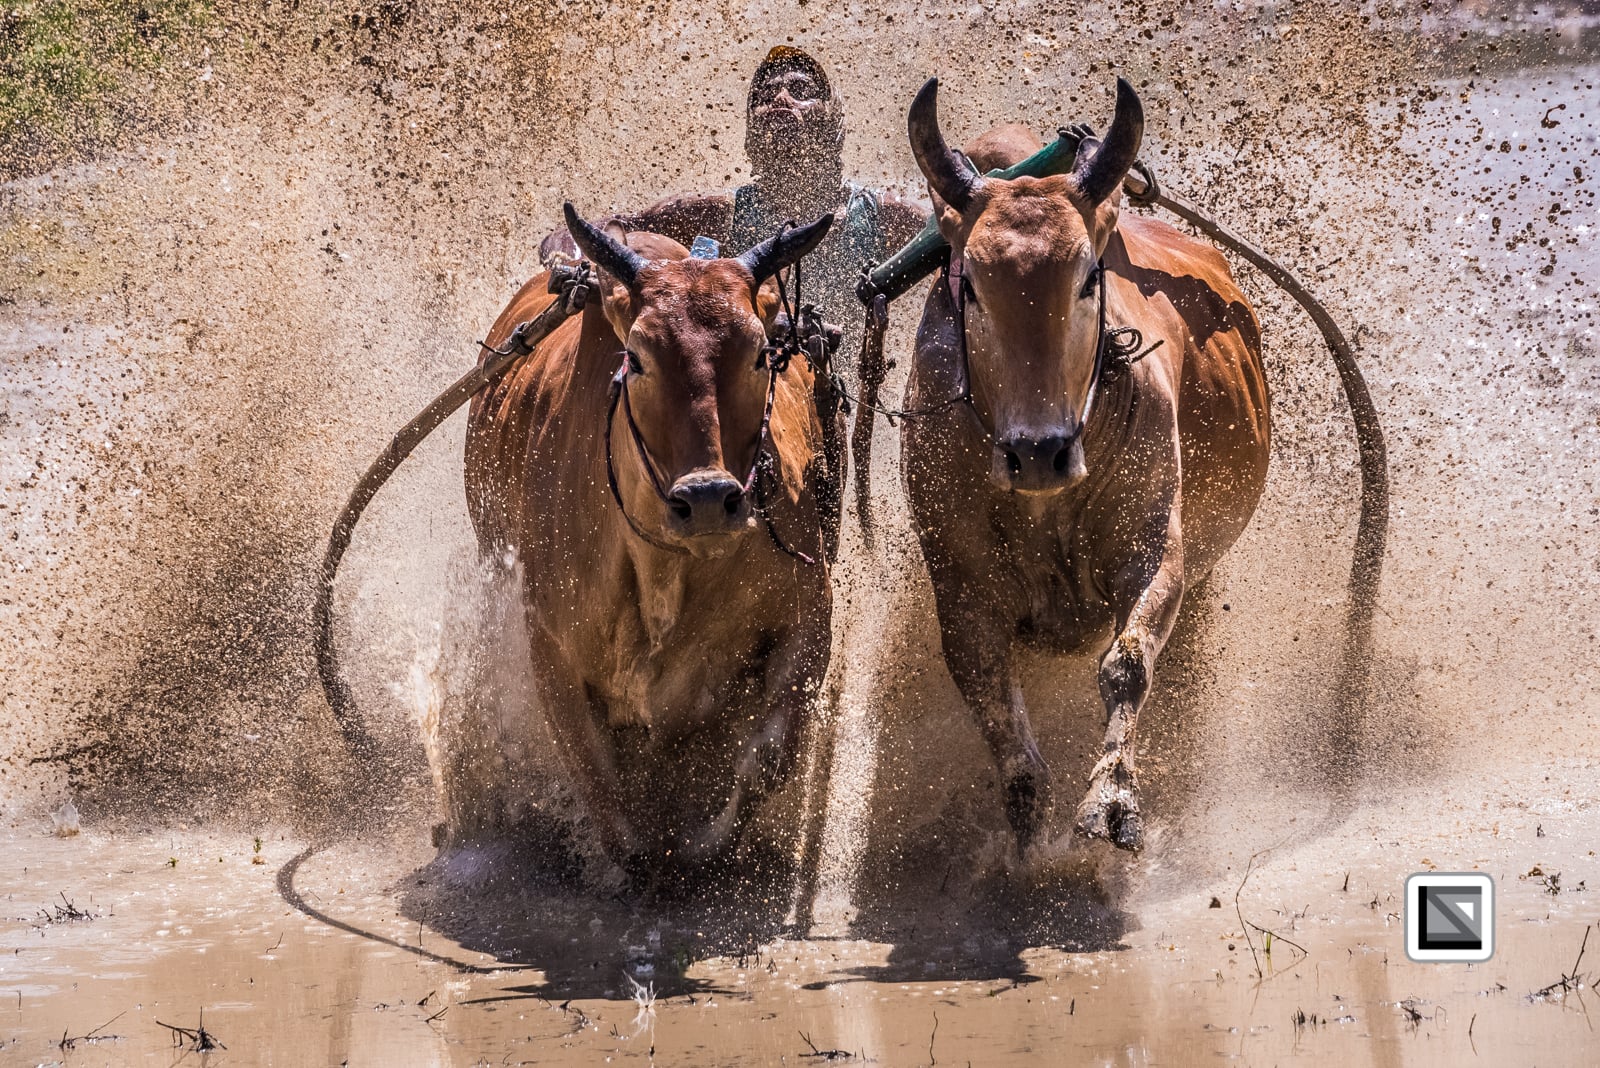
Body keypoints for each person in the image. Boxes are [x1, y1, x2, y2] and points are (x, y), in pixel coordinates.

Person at [542, 47, 927, 366]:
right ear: (750, 132)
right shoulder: (720, 213)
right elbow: (602, 228)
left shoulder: (882, 216)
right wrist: (567, 258)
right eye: (763, 96)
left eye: (800, 89)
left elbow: (960, 236)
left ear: (832, 120)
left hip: (860, 402)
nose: (780, 100)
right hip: (759, 406)